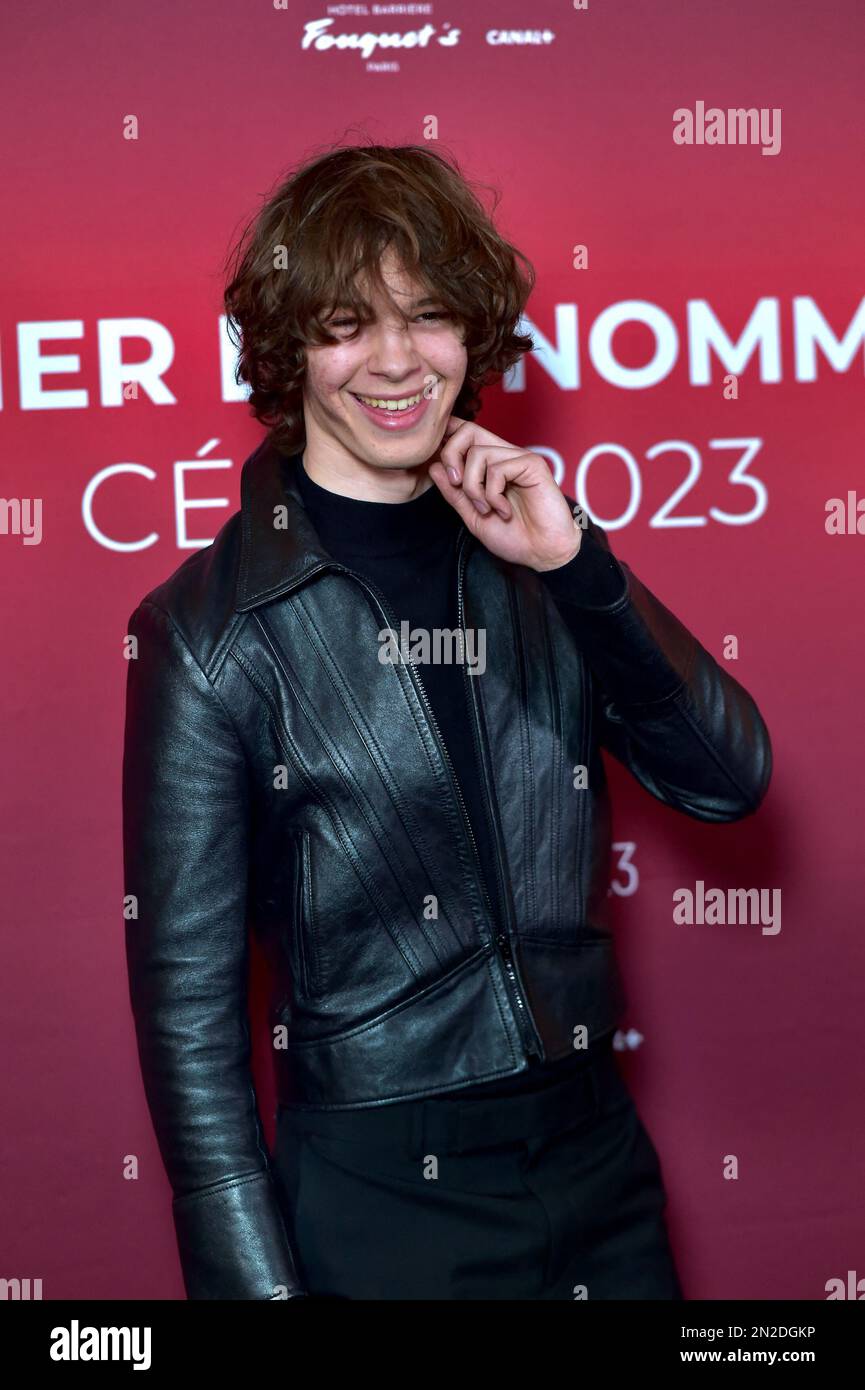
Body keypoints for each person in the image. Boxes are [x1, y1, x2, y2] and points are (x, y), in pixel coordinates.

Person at [122, 143, 772, 1300]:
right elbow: (192, 1031)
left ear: (469, 334)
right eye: (342, 322)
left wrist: (579, 566)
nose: (392, 360)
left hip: (596, 1163)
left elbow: (727, 777)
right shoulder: (208, 631)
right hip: (382, 1196)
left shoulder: (533, 550)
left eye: (424, 317)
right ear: (289, 352)